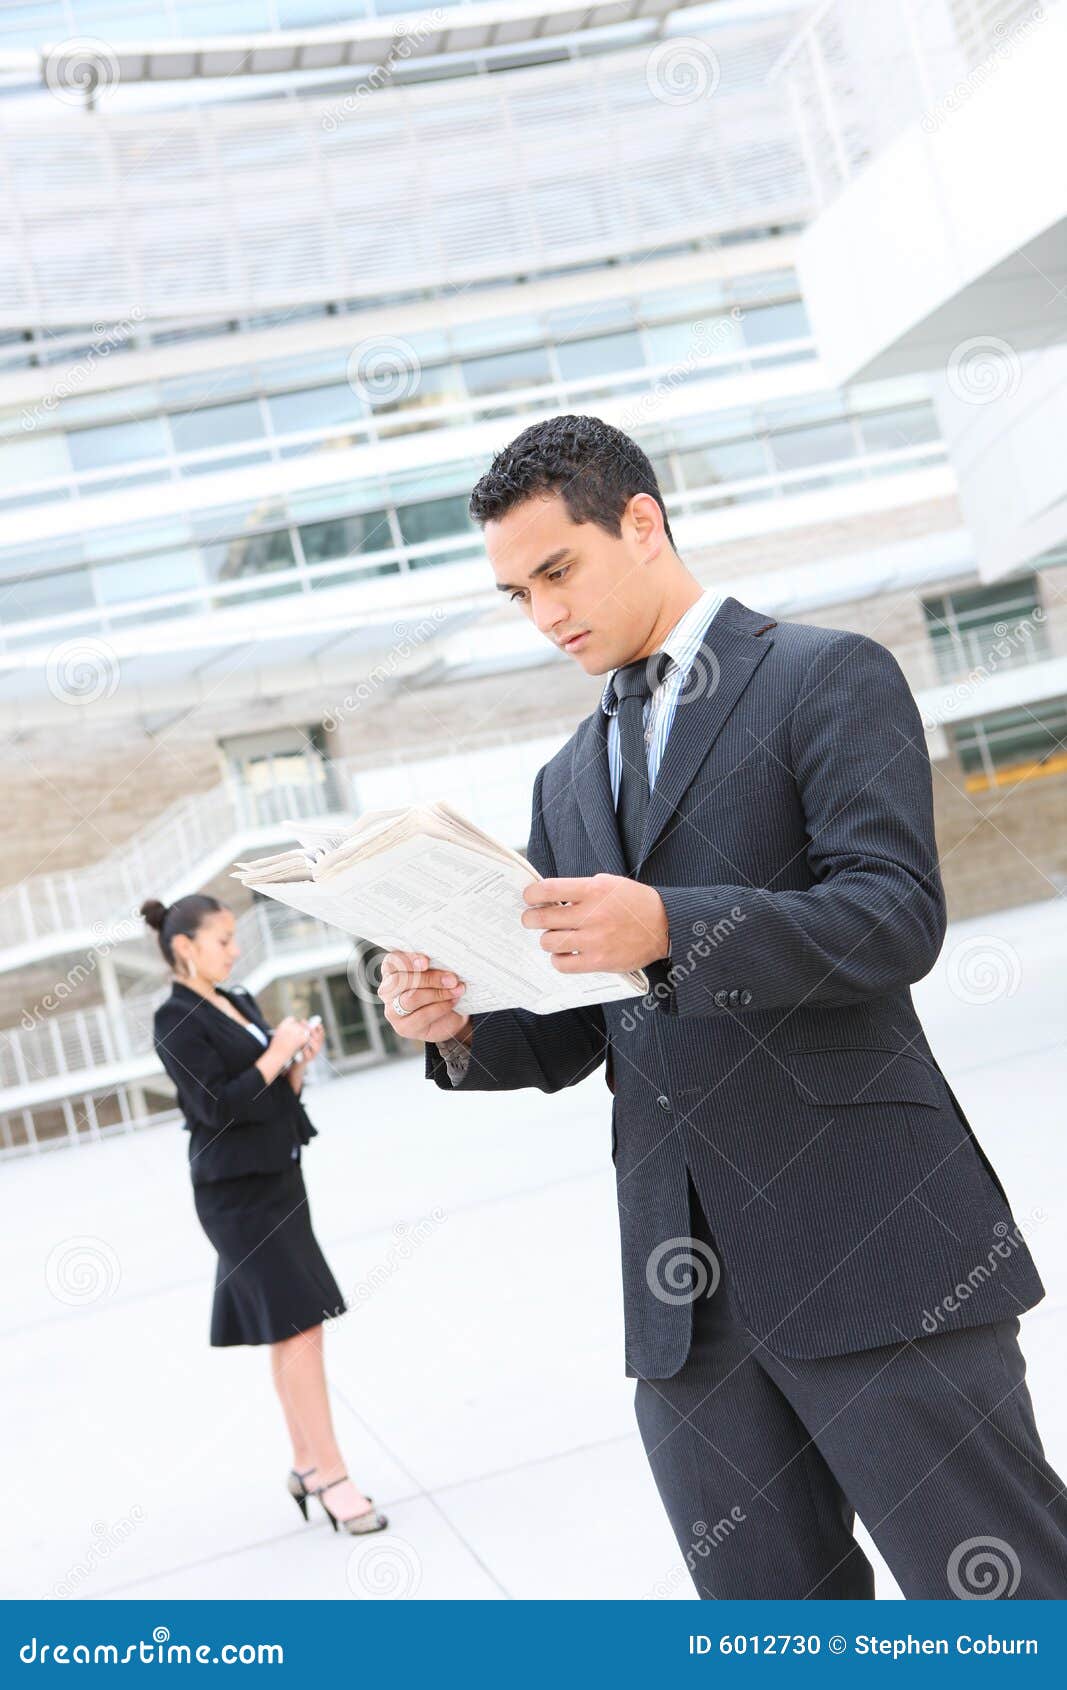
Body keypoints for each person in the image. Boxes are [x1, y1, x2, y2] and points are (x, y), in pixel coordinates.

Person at [378, 413, 1067, 1598]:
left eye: (557, 571)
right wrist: (455, 1026)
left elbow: (892, 914)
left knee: (1002, 1611)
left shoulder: (823, 675)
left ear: (640, 523)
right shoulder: (563, 777)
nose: (543, 615)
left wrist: (669, 926)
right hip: (684, 1313)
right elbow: (580, 1020)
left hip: (873, 1254)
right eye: (516, 594)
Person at [145, 892, 387, 1537]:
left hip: (279, 1181)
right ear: (184, 947)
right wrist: (277, 1052)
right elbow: (216, 1109)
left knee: (292, 1328)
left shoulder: (240, 999)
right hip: (238, 1199)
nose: (235, 949)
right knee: (301, 1326)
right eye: (223, 940)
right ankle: (334, 1477)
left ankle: (308, 1466)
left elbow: (268, 1097)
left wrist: (295, 1065)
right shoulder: (174, 1019)